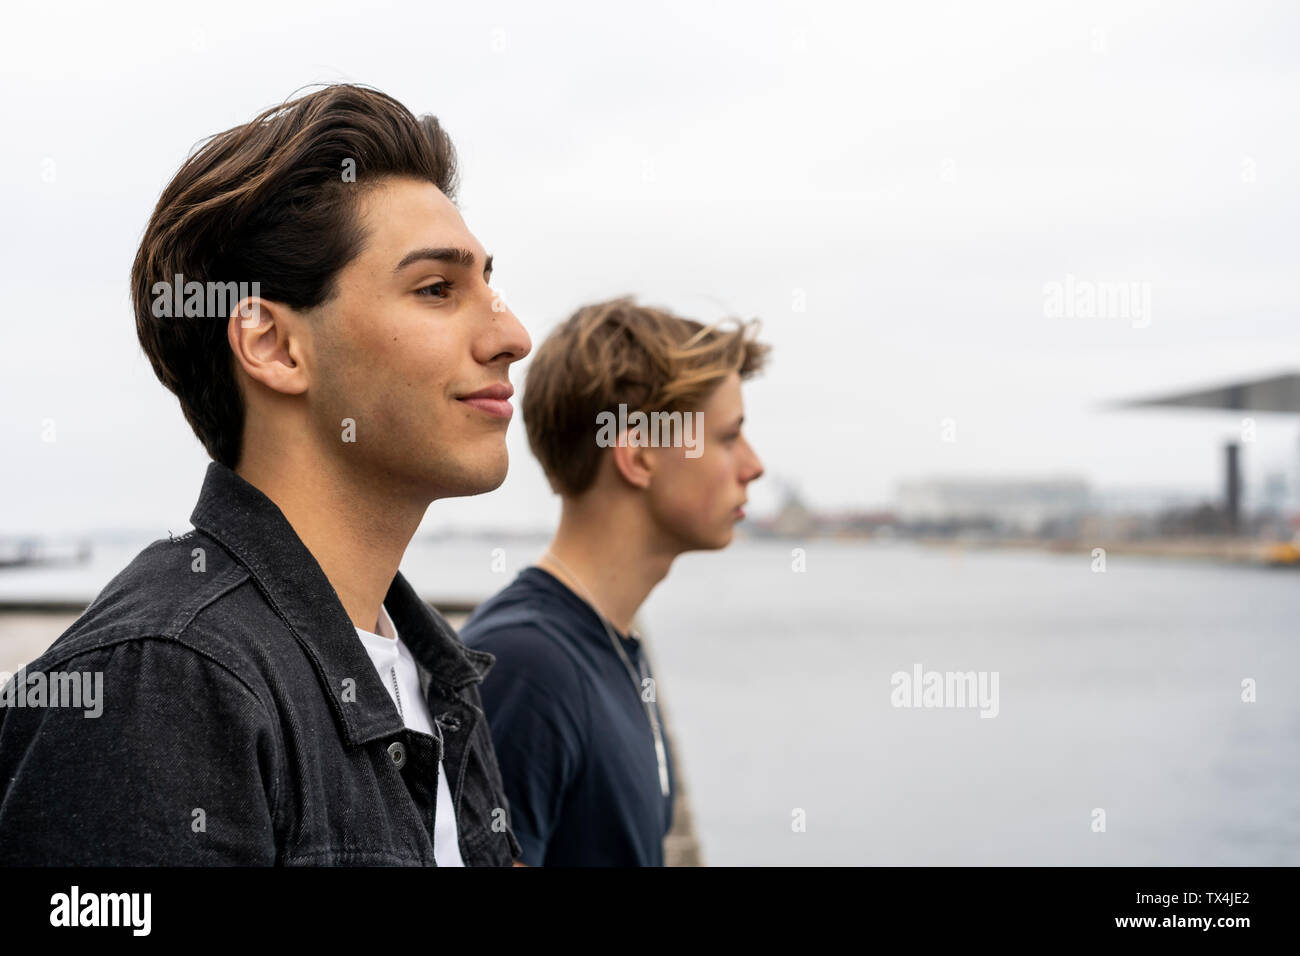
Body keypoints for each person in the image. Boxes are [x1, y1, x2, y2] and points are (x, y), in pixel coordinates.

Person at [0, 84, 531, 866]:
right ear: (275, 347)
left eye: (490, 285)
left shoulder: (434, 673)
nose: (511, 335)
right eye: (436, 290)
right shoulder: (164, 685)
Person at [461, 296, 768, 865]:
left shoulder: (605, 641)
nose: (754, 466)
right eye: (728, 438)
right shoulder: (528, 668)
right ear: (640, 456)